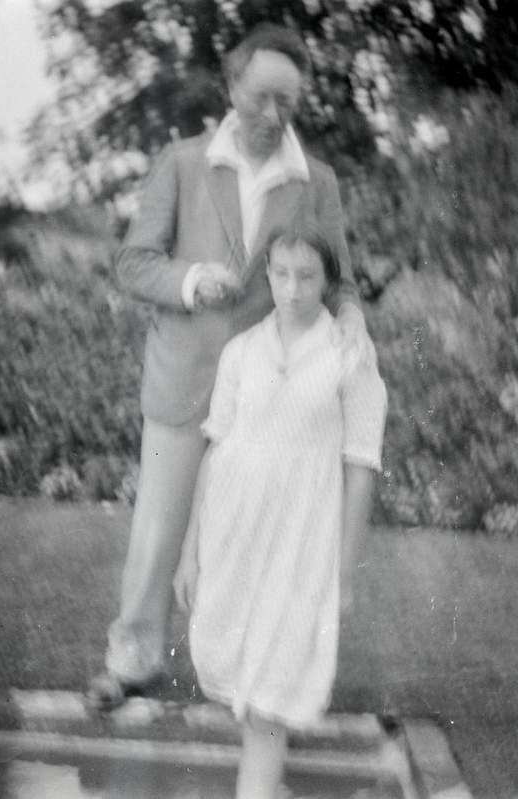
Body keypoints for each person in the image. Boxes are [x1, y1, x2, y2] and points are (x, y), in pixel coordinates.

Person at [89, 22, 367, 709]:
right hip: (182, 376)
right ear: (232, 87)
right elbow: (133, 261)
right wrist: (188, 282)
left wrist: (353, 318)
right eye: (261, 97)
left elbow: (342, 282)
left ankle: (243, 674)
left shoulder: (316, 183)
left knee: (251, 533)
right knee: (159, 530)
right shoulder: (181, 163)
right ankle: (131, 660)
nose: (274, 116)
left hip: (266, 390)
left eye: (289, 104)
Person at [173, 218, 387, 799]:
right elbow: (215, 449)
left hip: (301, 536)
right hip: (233, 530)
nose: (292, 289)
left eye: (307, 276)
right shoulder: (242, 350)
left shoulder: (349, 355)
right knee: (244, 681)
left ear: (328, 280)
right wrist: (190, 552)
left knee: (271, 691)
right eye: (282, 274)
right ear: (266, 274)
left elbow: (361, 463)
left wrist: (344, 571)